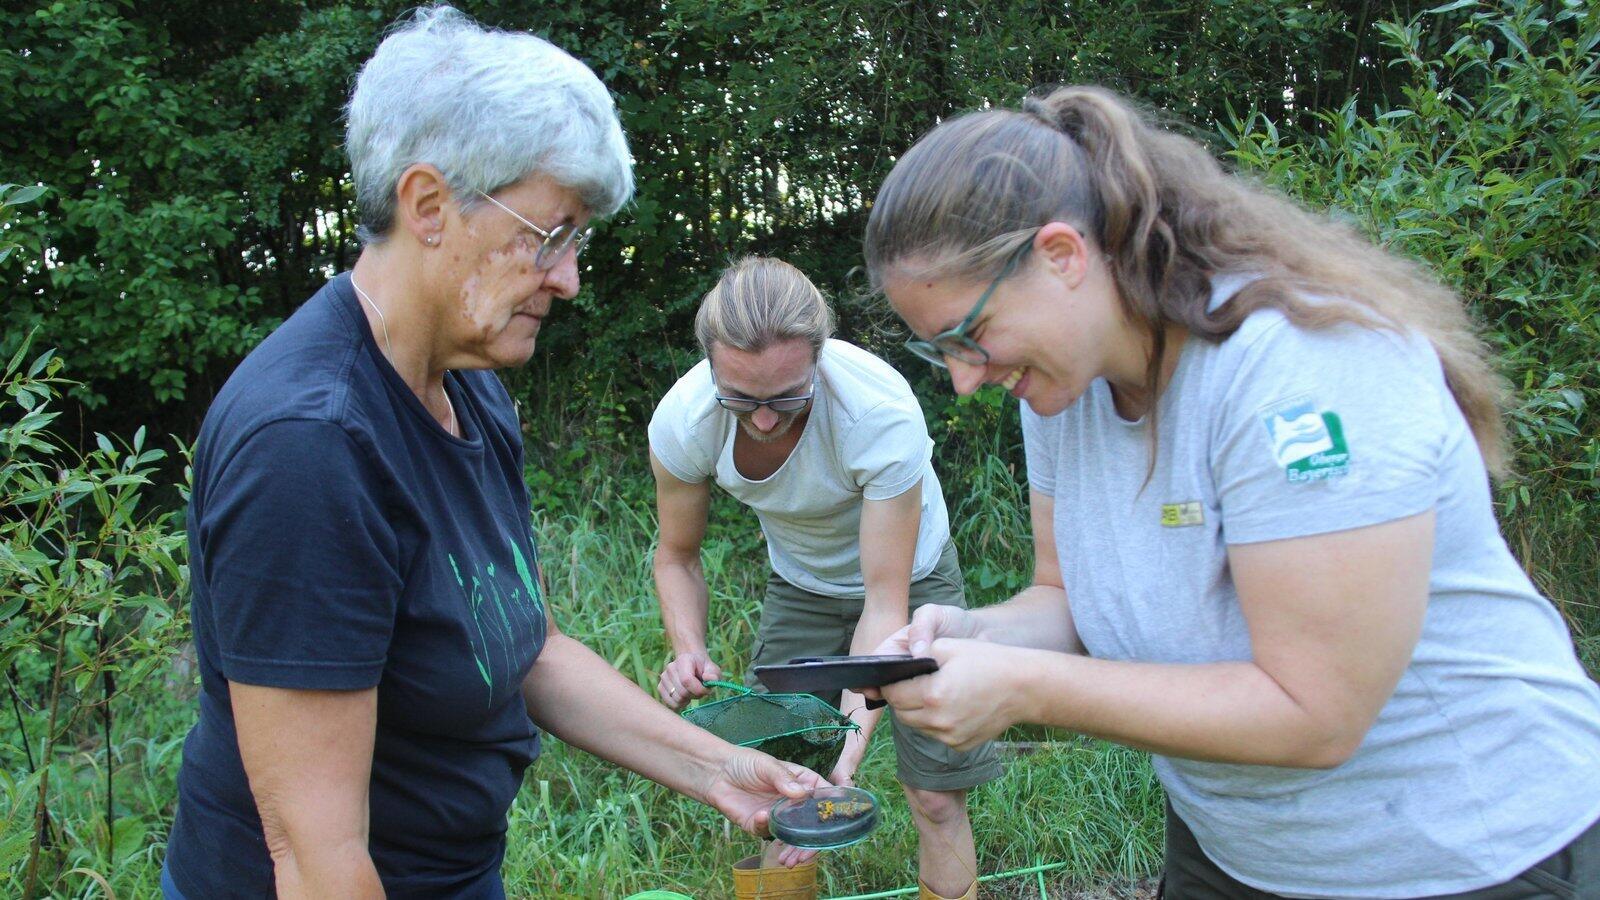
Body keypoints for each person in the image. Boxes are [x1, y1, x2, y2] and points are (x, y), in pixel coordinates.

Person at [860, 85, 1600, 898]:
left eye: (970, 335)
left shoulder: (1301, 369)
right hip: (1237, 851)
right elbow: (1063, 595)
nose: (966, 380)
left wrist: (1022, 688)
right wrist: (971, 633)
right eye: (942, 353)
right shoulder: (1061, 387)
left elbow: (1315, 713)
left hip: (1464, 853)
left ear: (1063, 257)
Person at [161, 9, 822, 898]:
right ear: (429, 206)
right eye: (548, 237)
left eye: (577, 240)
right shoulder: (311, 447)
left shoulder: (465, 382)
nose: (569, 277)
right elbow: (315, 857)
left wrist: (716, 769)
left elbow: (526, 646)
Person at [648, 257, 1002, 900]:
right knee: (773, 785)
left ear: (819, 358)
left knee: (934, 794)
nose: (760, 419)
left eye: (785, 396)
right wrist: (687, 647)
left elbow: (885, 600)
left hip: (911, 584)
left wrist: (847, 749)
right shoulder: (684, 421)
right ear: (710, 366)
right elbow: (677, 555)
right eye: (741, 398)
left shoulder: (878, 413)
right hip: (801, 586)